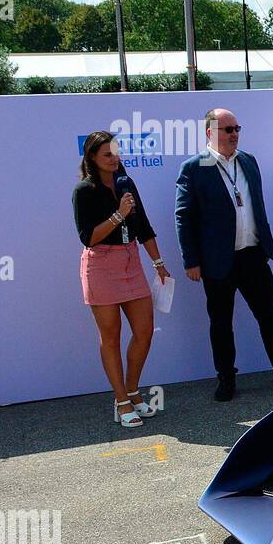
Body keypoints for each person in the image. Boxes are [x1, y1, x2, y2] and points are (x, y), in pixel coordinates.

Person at [175, 108, 273, 401]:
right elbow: (183, 217)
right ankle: (226, 379)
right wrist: (191, 260)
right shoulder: (194, 168)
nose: (234, 134)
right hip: (217, 261)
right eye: (228, 129)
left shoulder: (248, 161)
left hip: (253, 255)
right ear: (210, 132)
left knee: (270, 317)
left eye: (237, 128)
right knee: (221, 323)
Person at [74, 131, 171, 427]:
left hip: (131, 262)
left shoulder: (126, 183)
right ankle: (122, 401)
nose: (114, 158)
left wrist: (158, 263)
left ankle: (132, 391)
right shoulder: (84, 190)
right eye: (107, 154)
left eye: (116, 152)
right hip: (101, 265)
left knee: (144, 332)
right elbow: (88, 237)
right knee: (111, 337)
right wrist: (118, 215)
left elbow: (143, 225)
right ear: (92, 157)